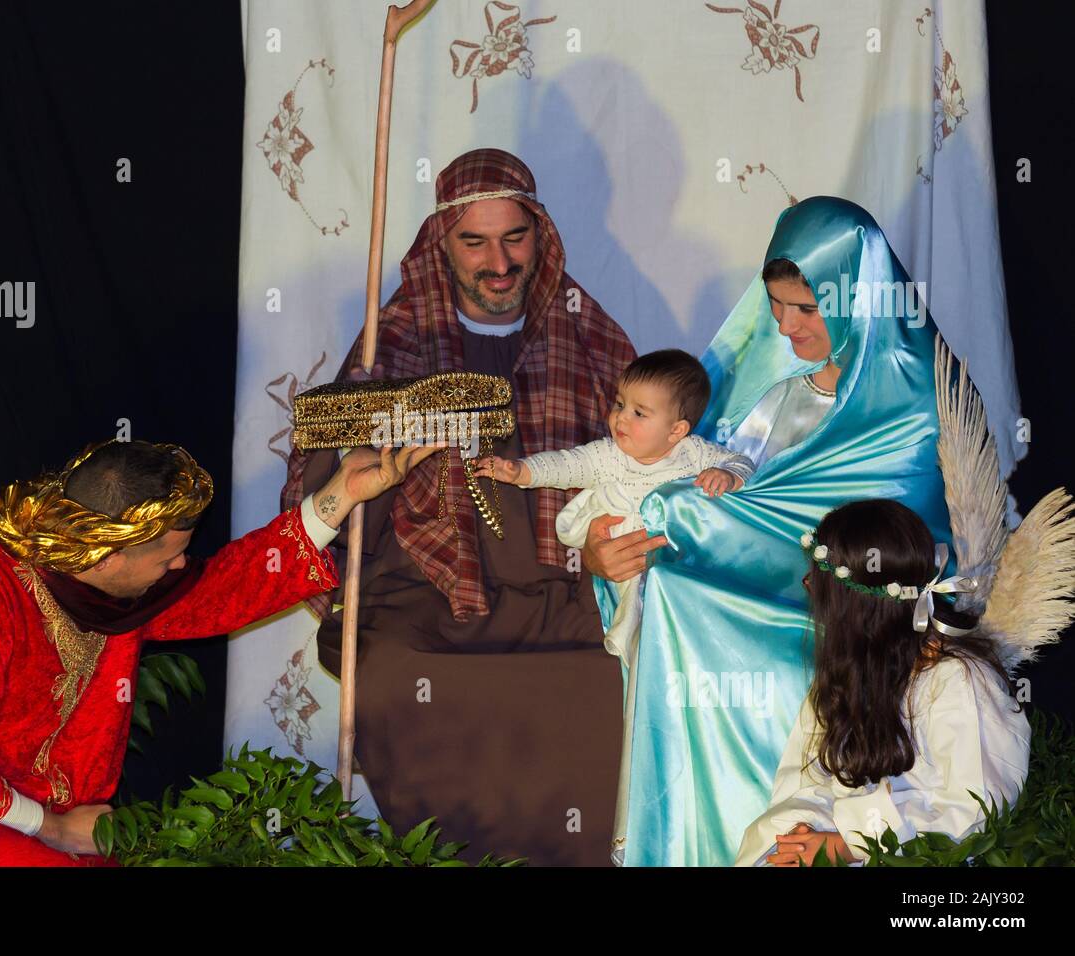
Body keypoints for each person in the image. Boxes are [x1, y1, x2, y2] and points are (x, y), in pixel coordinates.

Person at [0, 437, 436, 866]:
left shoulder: (111, 589)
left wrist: (342, 496)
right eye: (169, 558)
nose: (182, 567)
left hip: (17, 819)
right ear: (108, 555)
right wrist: (49, 828)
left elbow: (221, 589)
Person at [281, 148, 646, 865]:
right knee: (387, 671)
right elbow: (323, 486)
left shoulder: (591, 339)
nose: (498, 262)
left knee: (604, 679)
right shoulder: (391, 342)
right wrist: (364, 431)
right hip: (427, 600)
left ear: (540, 235)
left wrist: (608, 552)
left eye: (514, 238)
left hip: (562, 594)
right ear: (441, 244)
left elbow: (648, 463)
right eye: (474, 241)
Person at [595, 197, 956, 866]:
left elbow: (924, 546)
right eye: (776, 306)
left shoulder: (922, 406)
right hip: (756, 606)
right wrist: (624, 544)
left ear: (860, 295)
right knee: (673, 583)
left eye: (807, 308)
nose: (786, 327)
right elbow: (702, 500)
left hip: (863, 628)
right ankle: (690, 848)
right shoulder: (773, 400)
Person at [477, 348, 756, 862]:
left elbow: (742, 460)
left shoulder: (694, 455)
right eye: (620, 404)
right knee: (646, 599)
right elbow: (564, 465)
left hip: (678, 576)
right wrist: (518, 471)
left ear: (678, 430)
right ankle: (638, 640)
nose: (620, 419)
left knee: (683, 593)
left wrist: (731, 476)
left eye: (638, 412)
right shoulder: (610, 455)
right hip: (628, 578)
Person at [736, 499, 1030, 866]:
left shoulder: (955, 680)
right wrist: (800, 838)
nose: (809, 589)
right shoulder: (845, 673)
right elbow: (805, 782)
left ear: (854, 606)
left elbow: (972, 812)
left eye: (818, 586)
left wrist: (846, 842)